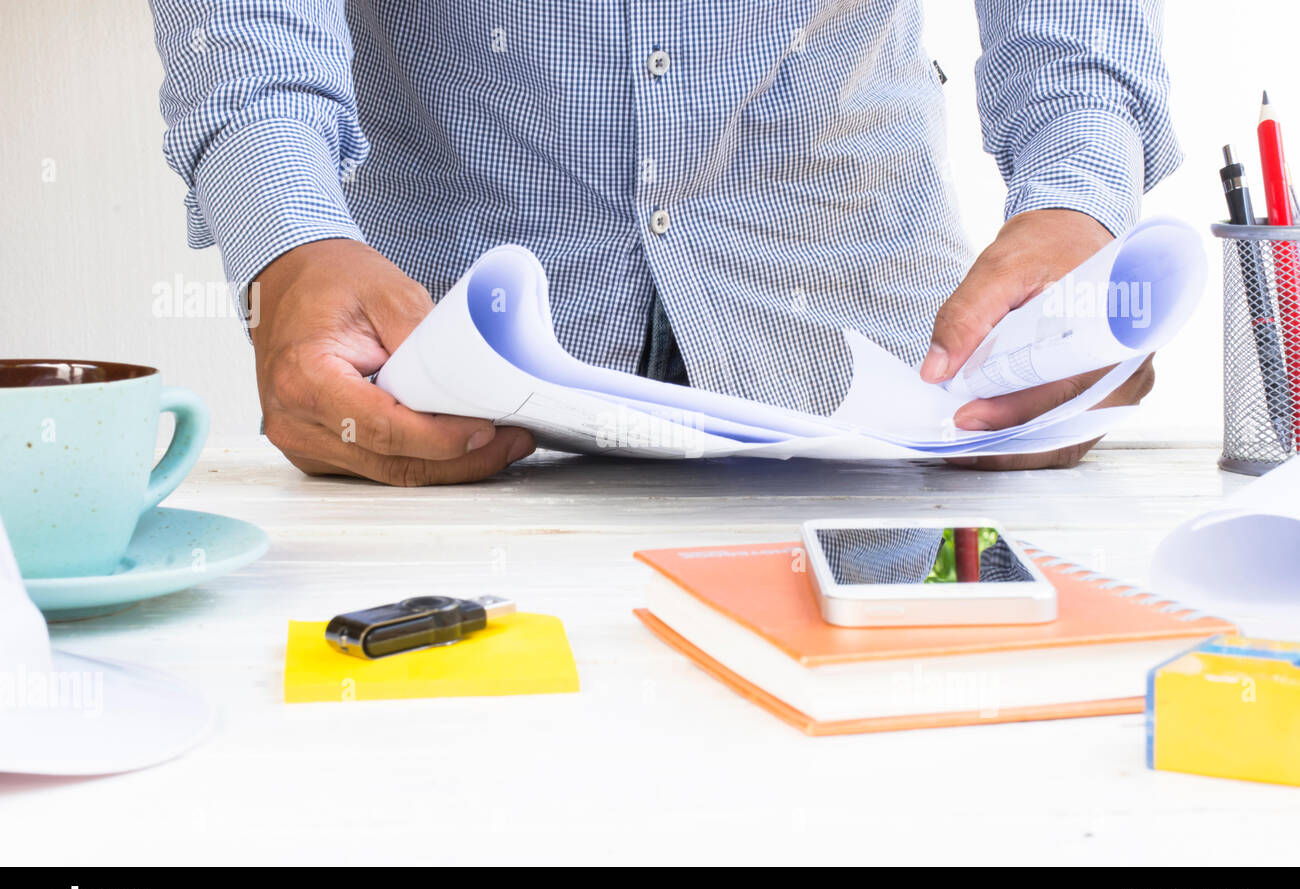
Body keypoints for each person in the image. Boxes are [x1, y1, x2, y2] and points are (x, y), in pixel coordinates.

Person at [149, 1, 1176, 485]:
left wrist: (1078, 206)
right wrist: (290, 241)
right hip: (440, 397)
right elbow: (246, 29)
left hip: (883, 389)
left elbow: (1071, 29)